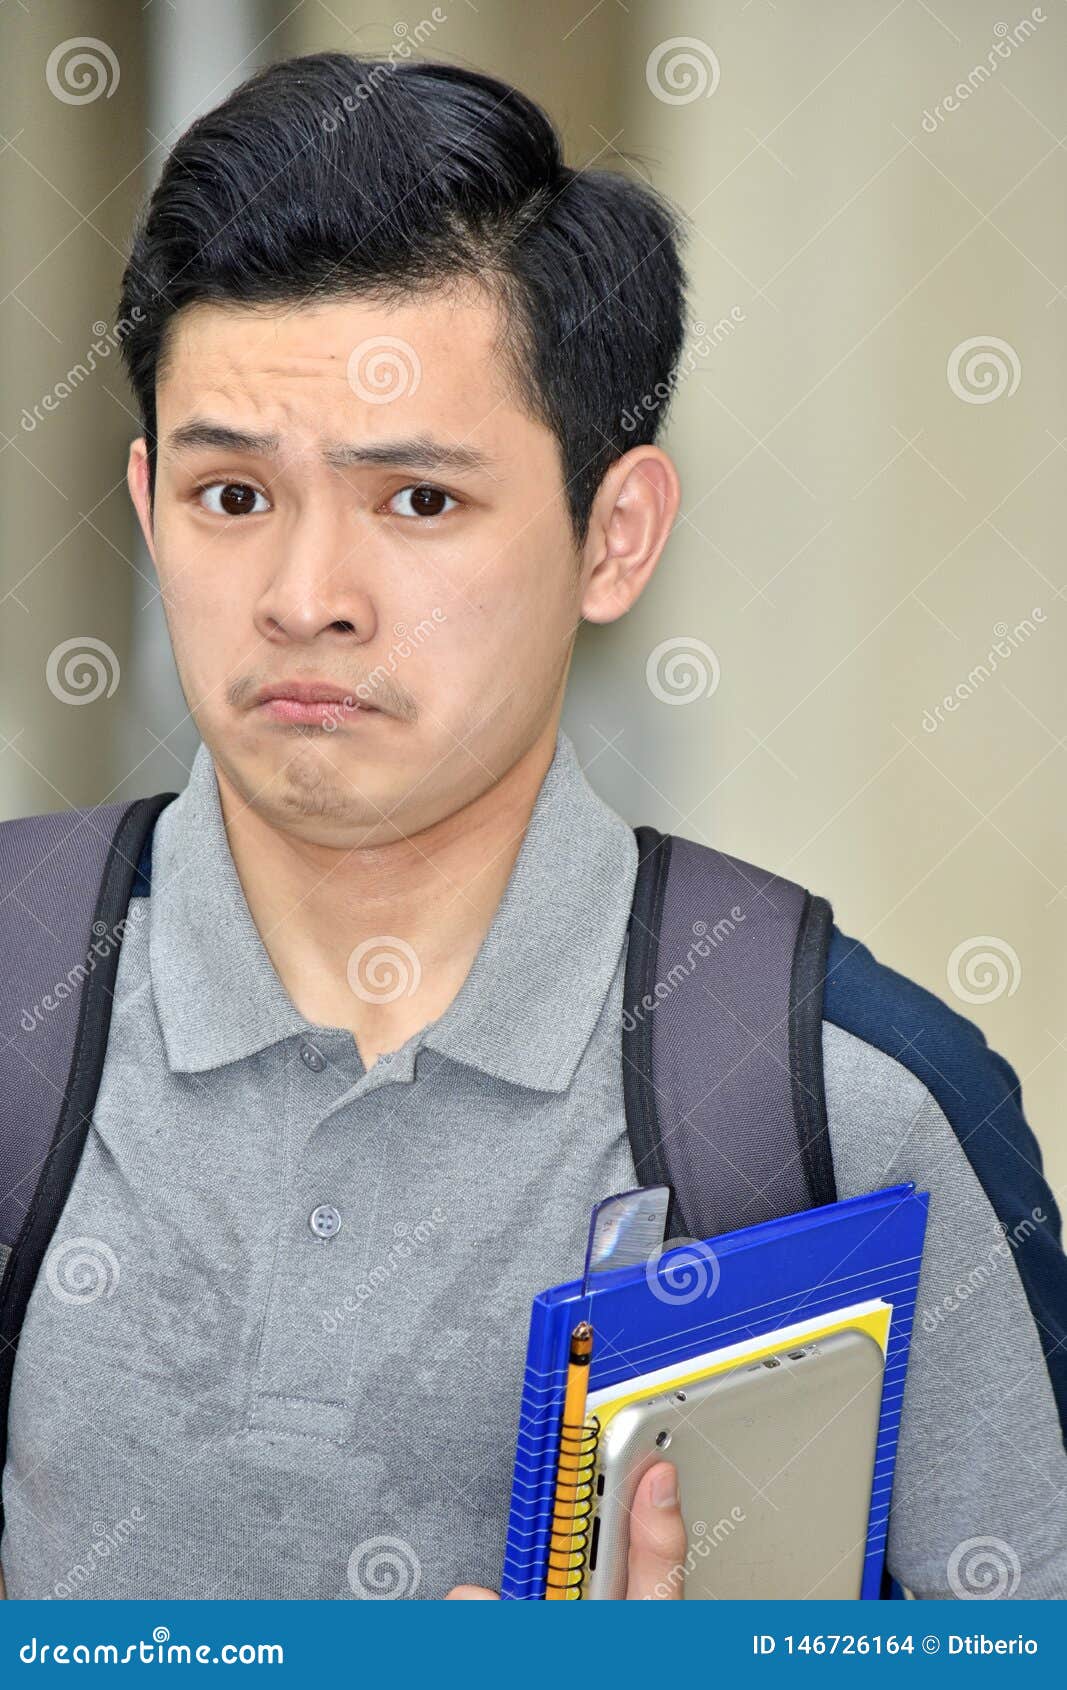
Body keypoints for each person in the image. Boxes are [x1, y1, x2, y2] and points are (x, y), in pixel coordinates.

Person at [1, 52, 1064, 1603]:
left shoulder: (849, 1111)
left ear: (614, 534)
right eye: (235, 497)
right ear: (151, 503)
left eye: (418, 502)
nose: (307, 597)